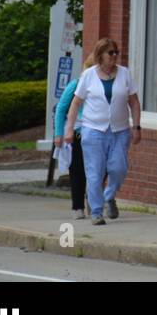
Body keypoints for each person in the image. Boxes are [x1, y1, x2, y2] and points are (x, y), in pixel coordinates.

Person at [63, 37, 142, 226]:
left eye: (116, 53)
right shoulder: (88, 75)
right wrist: (69, 129)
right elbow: (75, 103)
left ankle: (109, 196)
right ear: (100, 55)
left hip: (120, 130)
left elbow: (134, 102)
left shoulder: (124, 74)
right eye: (110, 53)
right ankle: (96, 212)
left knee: (118, 168)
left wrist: (137, 126)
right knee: (94, 173)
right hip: (93, 130)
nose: (114, 57)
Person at [52, 63, 87, 220]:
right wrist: (59, 134)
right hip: (77, 133)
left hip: (96, 132)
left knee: (96, 171)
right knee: (77, 171)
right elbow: (61, 109)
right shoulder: (75, 85)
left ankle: (93, 200)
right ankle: (78, 206)